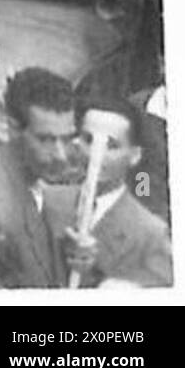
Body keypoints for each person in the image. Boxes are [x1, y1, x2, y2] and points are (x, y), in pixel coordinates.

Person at [0, 67, 76, 288]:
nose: (61, 155)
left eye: (66, 139)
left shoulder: (28, 177)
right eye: (46, 140)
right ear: (13, 129)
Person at [43, 97, 172, 288]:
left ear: (134, 155)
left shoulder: (151, 234)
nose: (97, 153)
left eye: (111, 146)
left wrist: (96, 271)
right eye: (89, 140)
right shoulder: (47, 201)